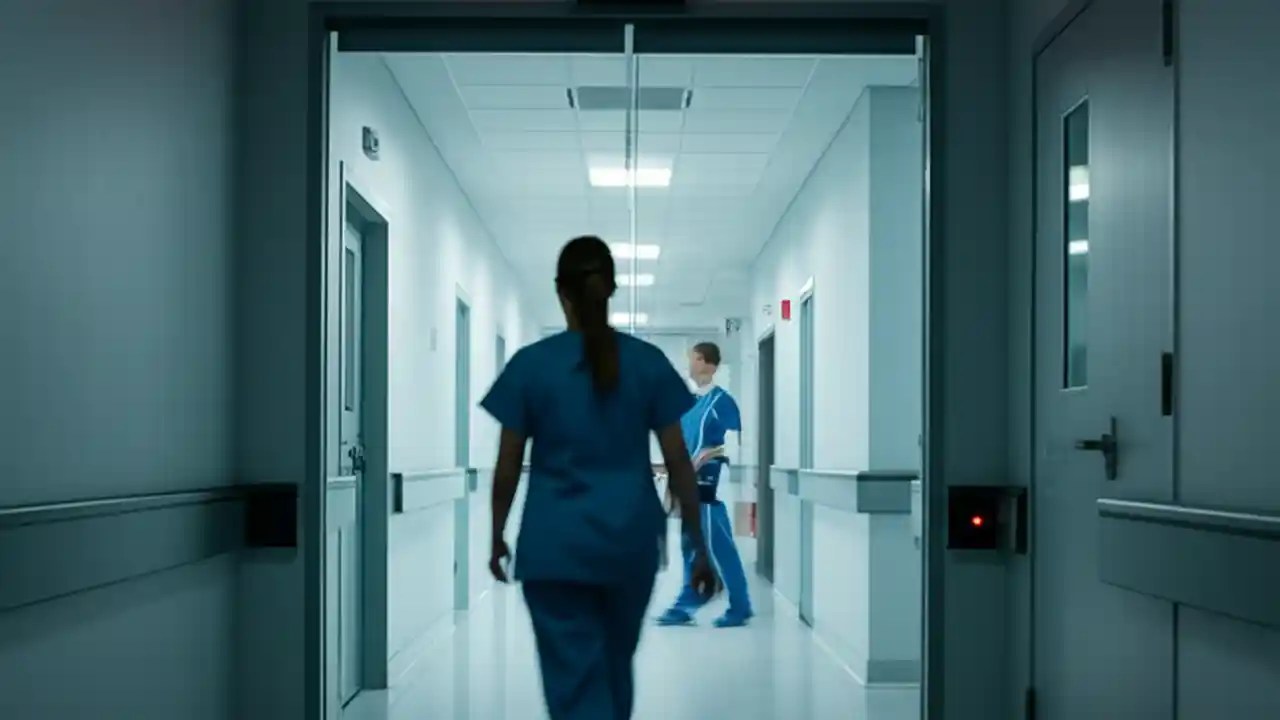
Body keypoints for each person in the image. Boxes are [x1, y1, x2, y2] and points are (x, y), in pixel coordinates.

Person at [480, 235, 717, 720]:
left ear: (559, 292)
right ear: (610, 288)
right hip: (628, 547)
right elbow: (678, 463)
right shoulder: (647, 363)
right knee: (612, 669)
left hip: (554, 551)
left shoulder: (532, 366)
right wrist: (698, 545)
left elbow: (507, 467)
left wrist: (496, 534)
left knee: (576, 686)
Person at [655, 341, 755, 628]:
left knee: (719, 547)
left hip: (709, 486)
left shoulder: (721, 402)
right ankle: (689, 601)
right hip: (685, 485)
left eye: (695, 359)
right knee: (689, 546)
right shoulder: (689, 403)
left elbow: (736, 446)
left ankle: (740, 605)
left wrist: (706, 455)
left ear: (709, 364)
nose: (690, 364)